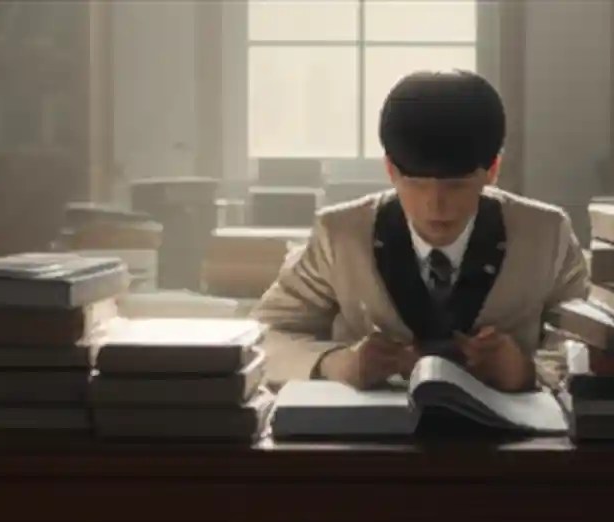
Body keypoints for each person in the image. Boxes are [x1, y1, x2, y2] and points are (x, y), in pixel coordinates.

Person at [251, 69, 589, 392]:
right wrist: (336, 363)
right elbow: (265, 336)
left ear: (493, 170)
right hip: (367, 437)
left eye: (456, 185)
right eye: (415, 184)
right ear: (390, 170)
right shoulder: (339, 234)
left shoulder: (547, 234)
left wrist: (527, 371)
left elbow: (587, 344)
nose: (436, 205)